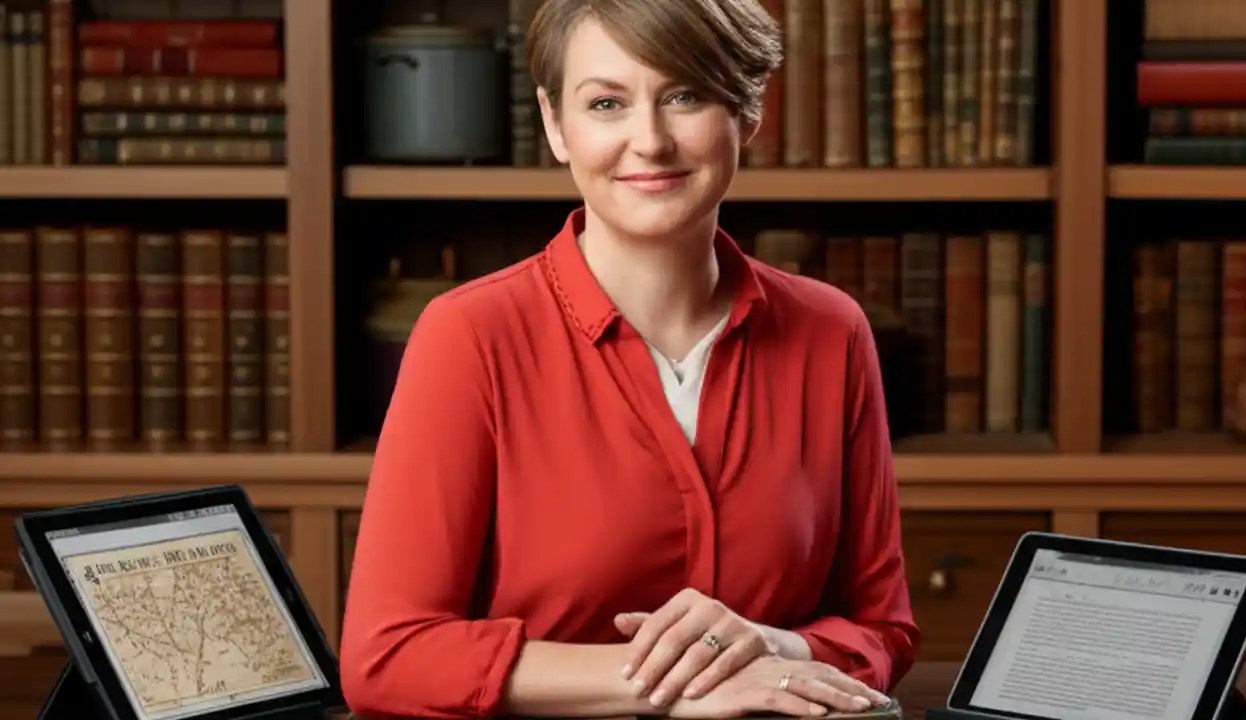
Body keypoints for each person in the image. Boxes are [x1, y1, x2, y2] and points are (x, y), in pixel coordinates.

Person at [338, 0, 920, 717]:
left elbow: (882, 629)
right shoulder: (469, 337)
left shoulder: (831, 333)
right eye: (606, 103)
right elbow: (388, 658)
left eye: (685, 96)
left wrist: (772, 649)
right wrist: (672, 685)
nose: (649, 140)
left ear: (746, 113)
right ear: (557, 125)